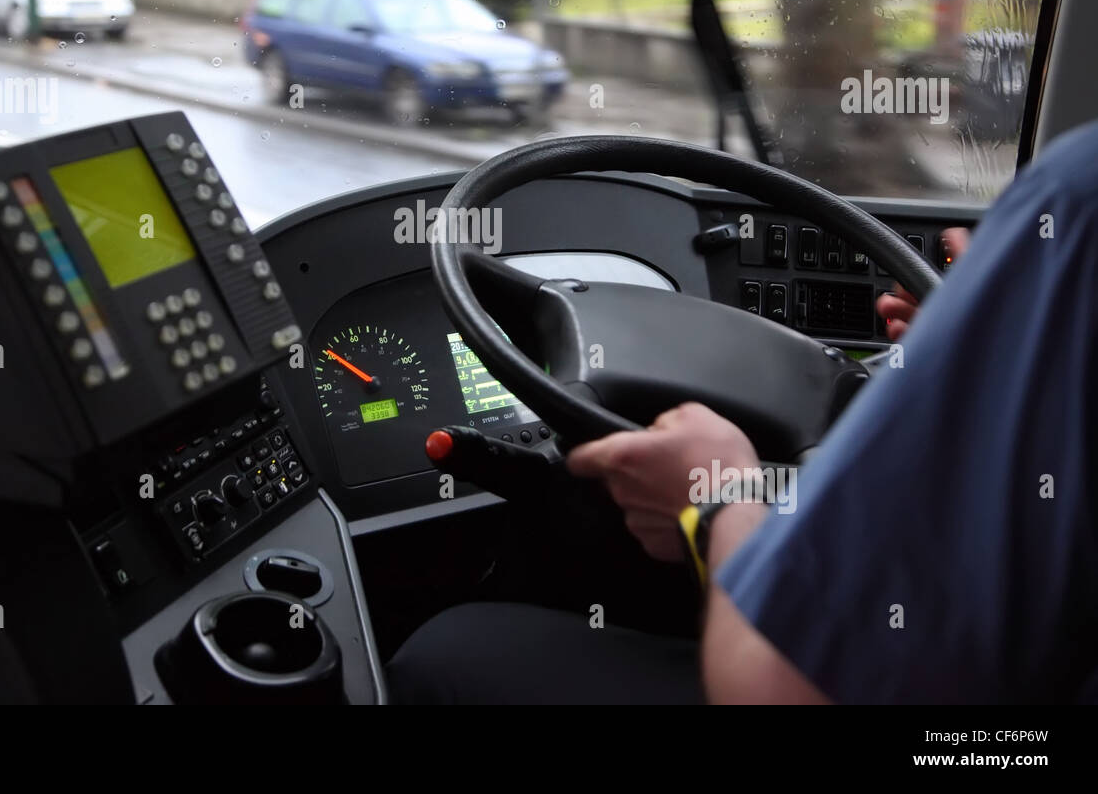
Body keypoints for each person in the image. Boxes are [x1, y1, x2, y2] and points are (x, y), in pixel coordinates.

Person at [386, 120, 1098, 704]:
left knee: (445, 652)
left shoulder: (1079, 192)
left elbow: (774, 690)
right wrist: (981, 369)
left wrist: (719, 495)